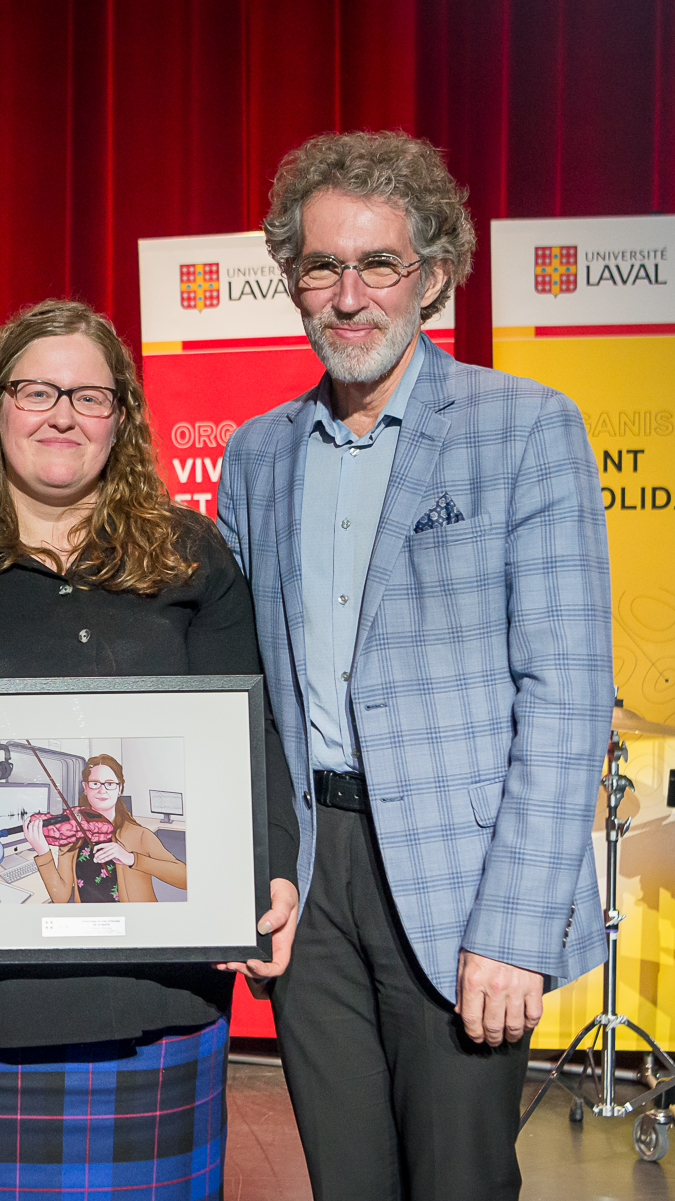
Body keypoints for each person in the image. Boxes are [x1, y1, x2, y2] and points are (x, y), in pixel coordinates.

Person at [215, 131, 612, 1201]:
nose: (348, 296)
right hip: (311, 877)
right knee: (346, 1183)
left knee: (458, 1185)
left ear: (433, 274)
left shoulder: (525, 428)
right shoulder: (255, 454)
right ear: (291, 277)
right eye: (321, 266)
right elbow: (249, 694)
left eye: (377, 264)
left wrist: (516, 932)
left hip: (463, 884)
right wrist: (247, 870)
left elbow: (567, 699)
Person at [0, 299, 299, 1200]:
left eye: (89, 395)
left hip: (161, 992)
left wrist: (269, 870)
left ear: (122, 419)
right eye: (38, 390)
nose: (61, 412)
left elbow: (246, 732)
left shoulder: (191, 557)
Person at [26, 754, 189, 902]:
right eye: (95, 783)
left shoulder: (139, 835)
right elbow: (60, 897)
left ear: (120, 788)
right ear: (85, 787)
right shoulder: (71, 837)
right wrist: (43, 854)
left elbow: (185, 879)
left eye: (110, 784)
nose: (102, 790)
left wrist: (132, 859)